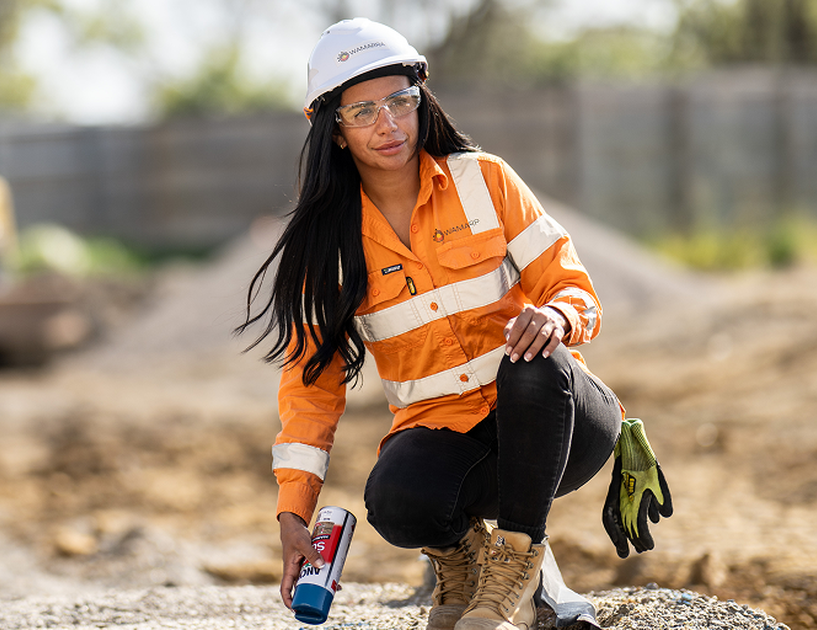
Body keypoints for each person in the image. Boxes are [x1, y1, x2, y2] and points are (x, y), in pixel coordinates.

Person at [239, 18, 642, 630]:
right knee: (394, 499)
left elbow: (575, 290)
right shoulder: (325, 248)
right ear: (334, 130)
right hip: (453, 443)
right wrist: (294, 512)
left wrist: (555, 316)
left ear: (421, 101)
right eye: (363, 112)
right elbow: (311, 387)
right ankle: (465, 560)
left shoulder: (485, 180)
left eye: (401, 101)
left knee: (534, 361)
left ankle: (511, 571)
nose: (389, 124)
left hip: (559, 427)